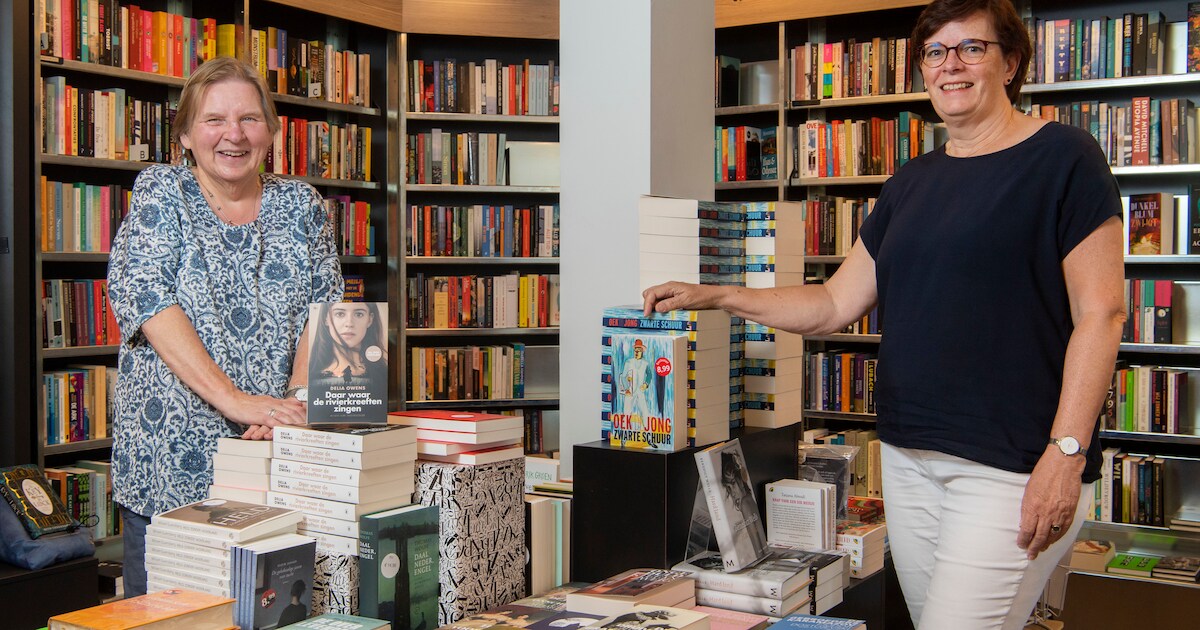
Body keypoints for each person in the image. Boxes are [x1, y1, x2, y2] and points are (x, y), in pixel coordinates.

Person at [642, 1, 1125, 627]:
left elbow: (1103, 313)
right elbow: (833, 303)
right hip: (908, 459)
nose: (951, 65)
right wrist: (721, 295)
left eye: (972, 48)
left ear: (1011, 63)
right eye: (935, 51)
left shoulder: (1065, 157)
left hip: (1012, 464)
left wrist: (1066, 453)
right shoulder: (910, 183)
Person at [107, 56, 343, 597]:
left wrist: (295, 402)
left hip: (279, 458)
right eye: (214, 120)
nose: (232, 135)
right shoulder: (162, 192)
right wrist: (237, 401)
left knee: (279, 612)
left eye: (249, 119)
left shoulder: (302, 205)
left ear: (272, 131)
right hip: (173, 466)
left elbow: (324, 310)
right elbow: (143, 299)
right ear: (186, 135)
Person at [308, 301, 388, 389]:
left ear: (370, 319)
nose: (349, 323)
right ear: (325, 318)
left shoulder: (385, 376)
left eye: (359, 314)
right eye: (340, 314)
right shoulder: (309, 377)